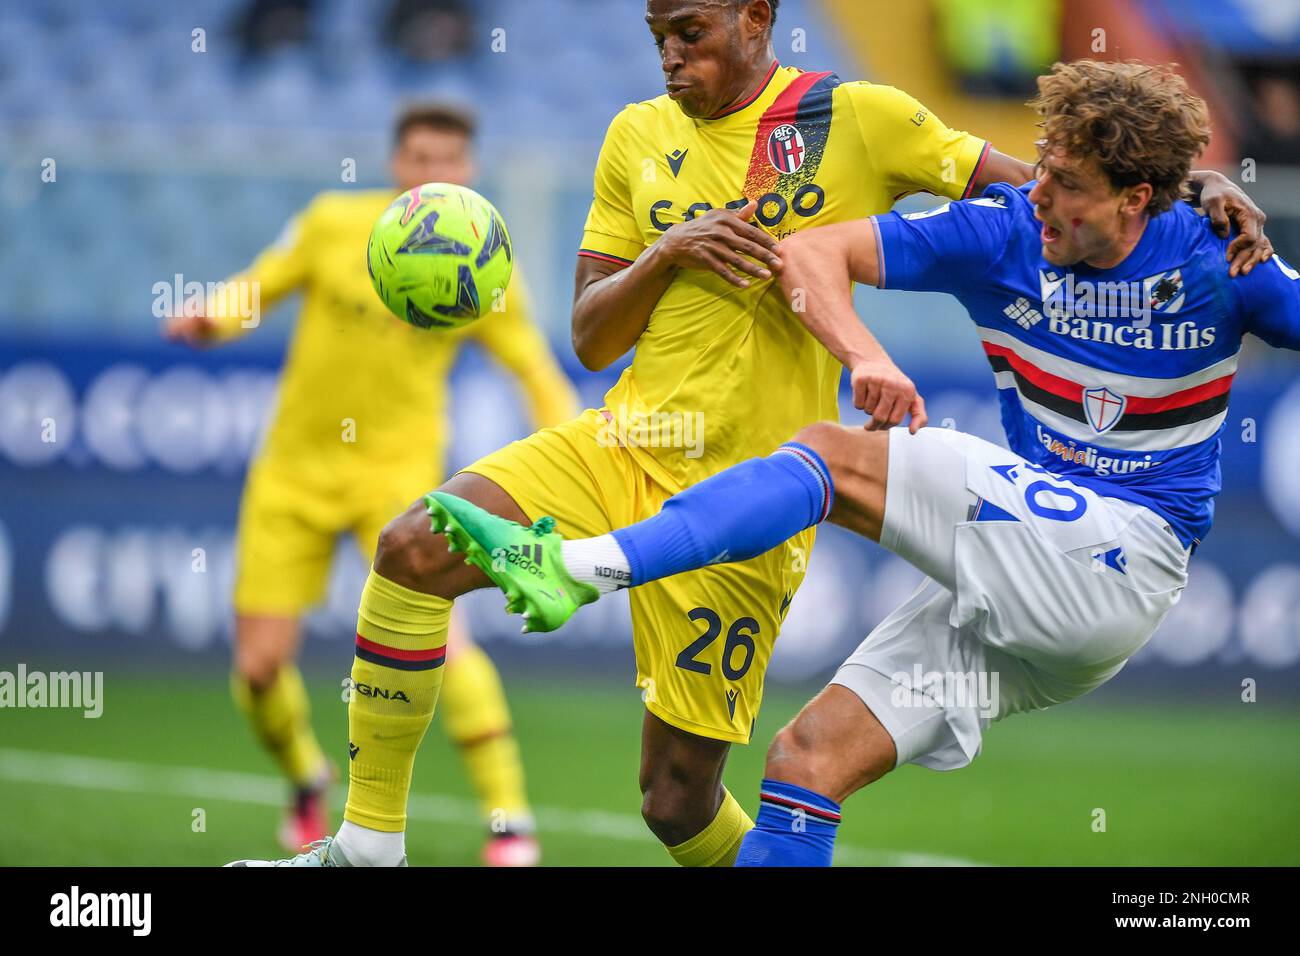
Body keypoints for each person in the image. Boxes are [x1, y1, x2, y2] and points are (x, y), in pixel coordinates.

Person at [229, 0, 1267, 868]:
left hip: (750, 501)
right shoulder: (637, 135)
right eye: (655, 35)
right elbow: (591, 333)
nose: (672, 54)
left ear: (756, 17)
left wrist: (1201, 189)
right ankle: (364, 845)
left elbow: (1046, 184)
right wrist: (669, 251)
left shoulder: (856, 117)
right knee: (414, 548)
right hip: (620, 443)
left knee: (676, 800)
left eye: (690, 30)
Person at [166, 103, 578, 867]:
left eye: (449, 162)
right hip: (292, 470)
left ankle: (508, 820)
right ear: (396, 164)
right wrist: (211, 318)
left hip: (398, 477)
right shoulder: (333, 223)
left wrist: (573, 436)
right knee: (258, 669)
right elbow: (260, 285)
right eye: (420, 159)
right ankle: (304, 775)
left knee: (445, 643)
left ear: (470, 171)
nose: (434, 175)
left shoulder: (484, 260)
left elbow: (530, 365)